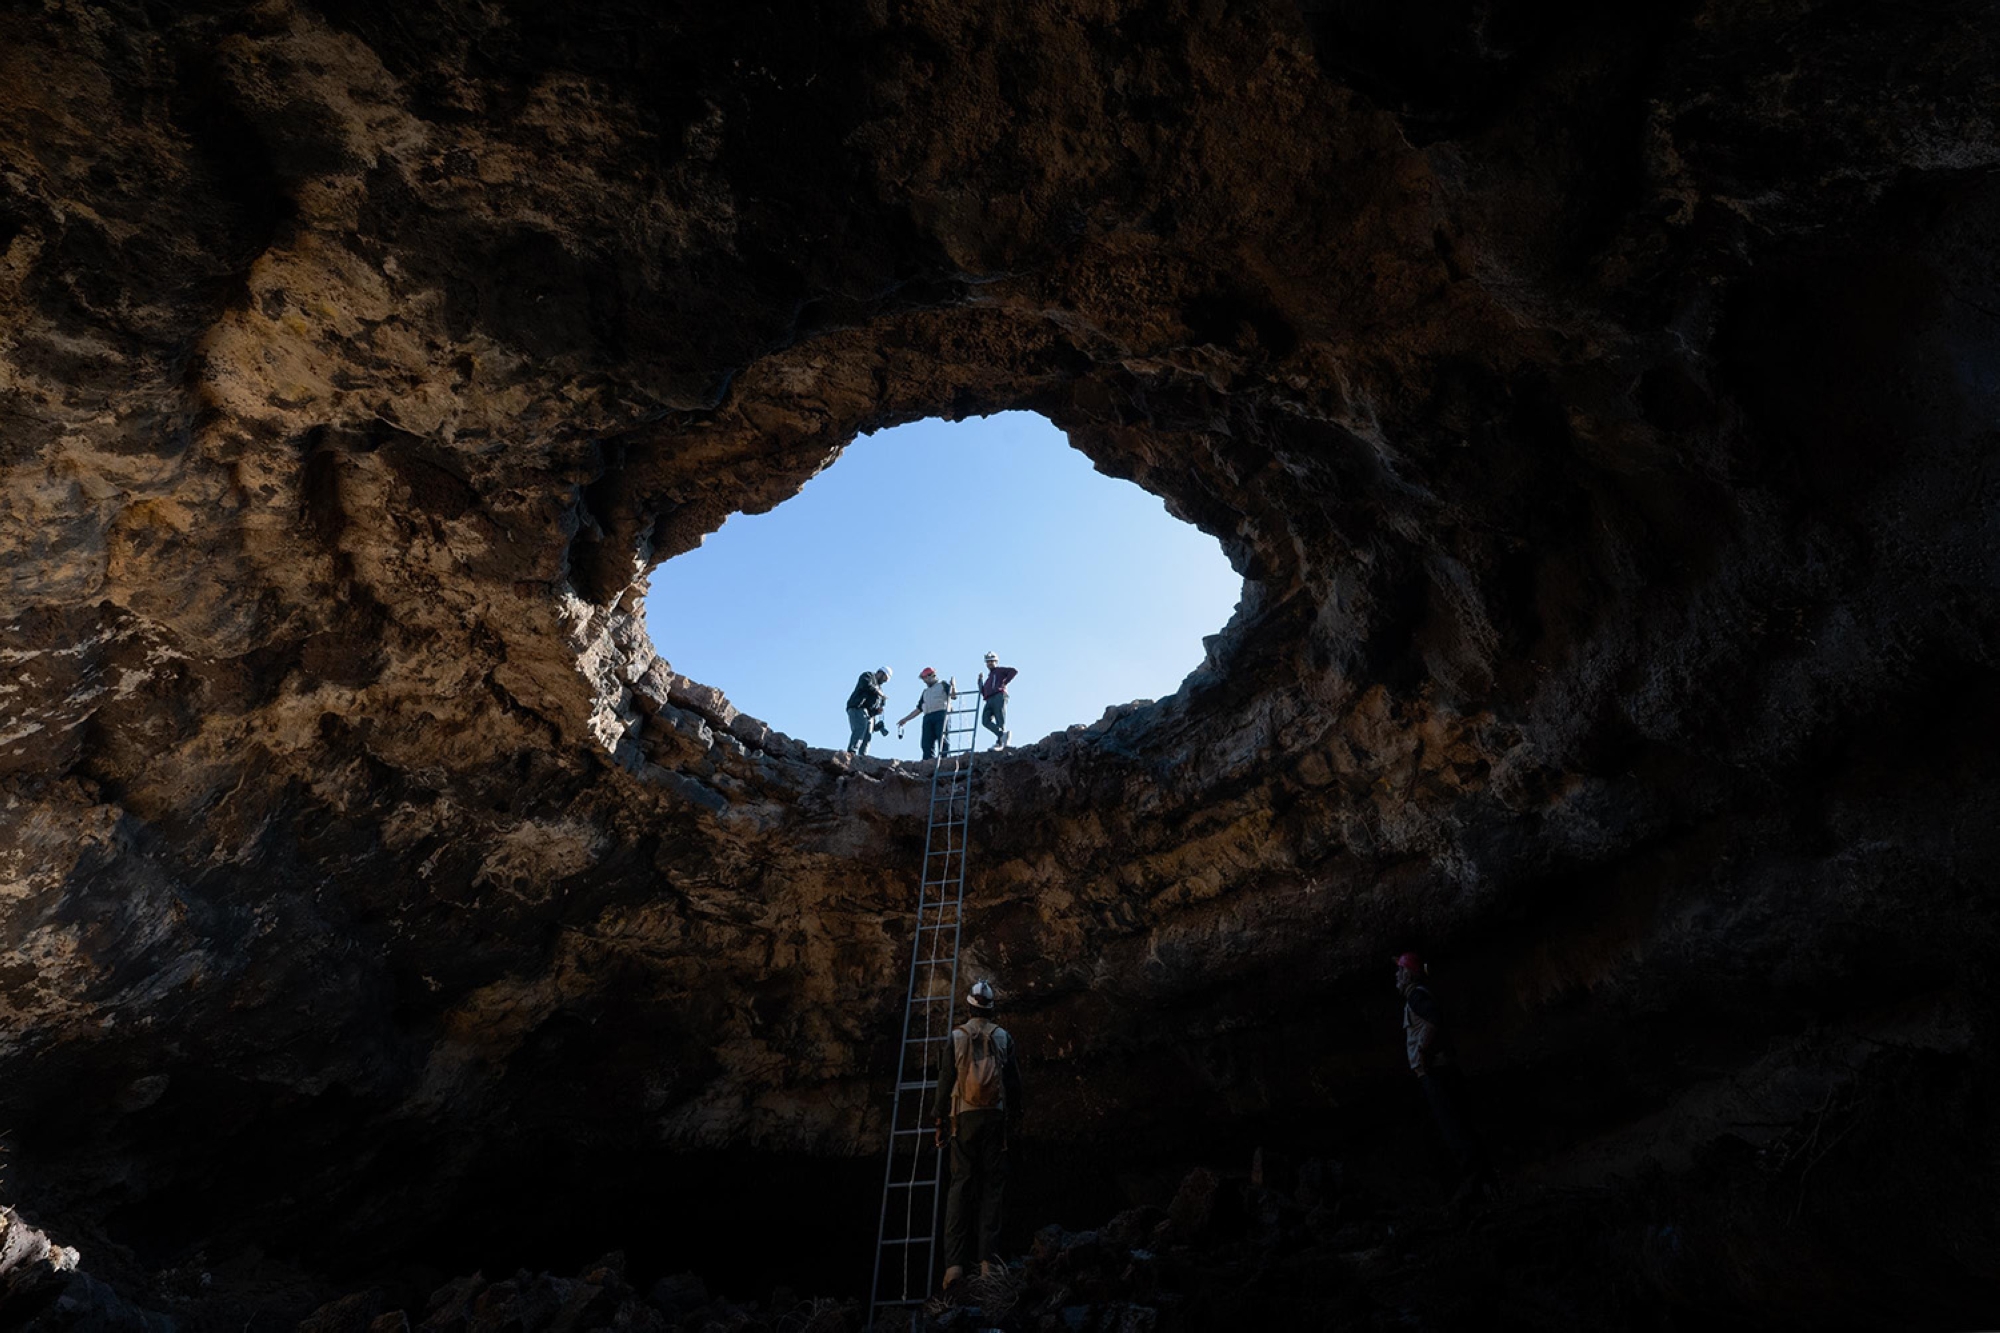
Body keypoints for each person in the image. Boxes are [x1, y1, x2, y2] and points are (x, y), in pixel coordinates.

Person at [932, 979, 1024, 1288]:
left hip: (964, 1120)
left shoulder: (957, 1037)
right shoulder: (1003, 1037)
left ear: (969, 1006)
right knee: (992, 1188)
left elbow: (945, 1082)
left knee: (960, 1187)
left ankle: (954, 1267)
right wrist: (1015, 1120)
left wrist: (939, 1121)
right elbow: (1013, 1084)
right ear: (991, 1008)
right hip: (994, 1120)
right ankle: (989, 1263)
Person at [1395, 951, 1493, 1202]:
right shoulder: (1417, 996)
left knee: (1454, 1128)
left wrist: (1423, 1054)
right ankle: (1483, 1183)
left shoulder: (1417, 996)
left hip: (1436, 1073)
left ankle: (1479, 1184)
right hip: (1441, 1071)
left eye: (1400, 970)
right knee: (1458, 1125)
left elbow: (1434, 1020)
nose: (1396, 975)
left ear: (1408, 974)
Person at [896, 667, 956, 761]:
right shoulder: (925, 692)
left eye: (925, 679)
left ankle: (945, 761)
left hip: (941, 714)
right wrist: (905, 719)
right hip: (928, 717)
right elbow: (919, 709)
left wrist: (953, 686)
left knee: (943, 739)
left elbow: (953, 696)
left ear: (932, 675)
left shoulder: (943, 685)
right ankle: (928, 763)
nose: (925, 681)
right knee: (926, 743)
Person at [845, 667, 892, 755]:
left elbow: (873, 707)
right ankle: (851, 752)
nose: (884, 681)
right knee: (861, 728)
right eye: (884, 678)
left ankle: (863, 757)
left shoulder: (880, 689)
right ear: (880, 673)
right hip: (857, 707)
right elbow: (866, 684)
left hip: (869, 714)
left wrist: (877, 711)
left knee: (868, 735)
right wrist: (879, 693)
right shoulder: (868, 675)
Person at [977, 652, 1017, 750]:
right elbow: (983, 692)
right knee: (985, 720)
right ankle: (1002, 735)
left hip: (999, 696)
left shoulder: (999, 671)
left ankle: (1000, 743)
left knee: (1000, 719)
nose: (990, 663)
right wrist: (980, 682)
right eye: (988, 662)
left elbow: (1013, 671)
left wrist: (1005, 682)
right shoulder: (988, 679)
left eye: (991, 661)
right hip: (989, 699)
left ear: (996, 661)